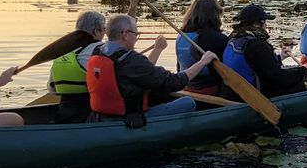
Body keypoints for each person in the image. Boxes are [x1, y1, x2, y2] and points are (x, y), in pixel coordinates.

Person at [86, 13, 217, 127]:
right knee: (188, 102)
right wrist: (202, 62)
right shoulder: (131, 60)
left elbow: (141, 71)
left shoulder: (98, 52)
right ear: (125, 34)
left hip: (100, 117)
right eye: (135, 34)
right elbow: (174, 82)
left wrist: (157, 49)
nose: (136, 38)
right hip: (130, 119)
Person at [47, 0, 144, 123]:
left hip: (63, 117)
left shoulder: (62, 54)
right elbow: (124, 35)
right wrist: (133, 4)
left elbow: (52, 90)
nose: (105, 33)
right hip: (91, 118)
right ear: (96, 31)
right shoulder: (101, 51)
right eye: (104, 29)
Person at [222, 4, 307, 98]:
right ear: (256, 24)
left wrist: (280, 57)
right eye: (264, 22)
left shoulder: (233, 38)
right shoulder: (258, 45)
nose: (266, 25)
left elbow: (260, 64)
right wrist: (302, 70)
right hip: (254, 95)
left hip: (233, 92)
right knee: (299, 84)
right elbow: (278, 77)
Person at [176, 0, 229, 95]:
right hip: (208, 88)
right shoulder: (217, 38)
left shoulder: (181, 36)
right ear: (215, 15)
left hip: (186, 85)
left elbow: (179, 67)